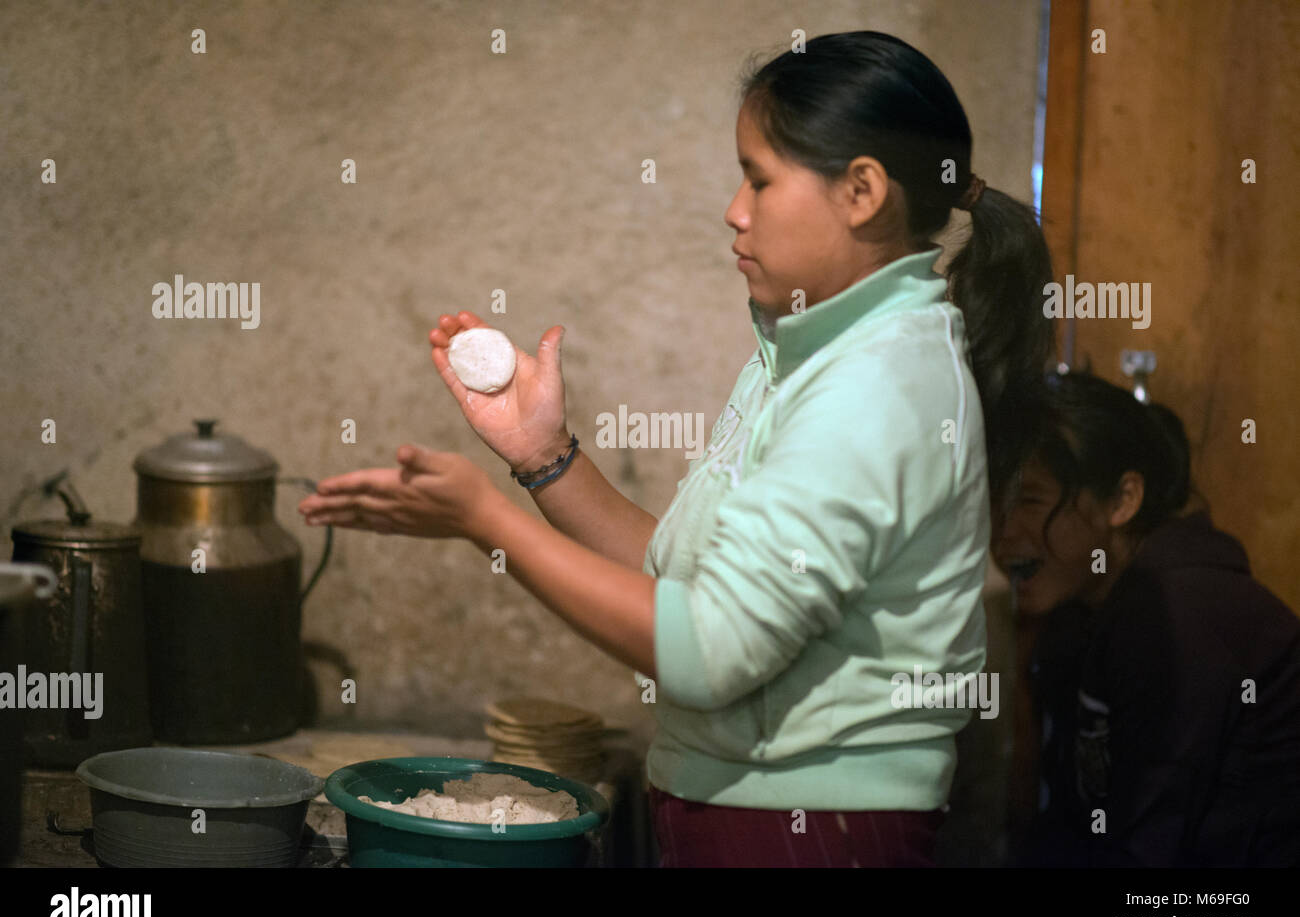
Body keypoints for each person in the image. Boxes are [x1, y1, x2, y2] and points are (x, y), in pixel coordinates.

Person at [298, 30, 1054, 866]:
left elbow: (706, 651)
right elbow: (681, 578)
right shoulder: (810, 352)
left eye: (760, 179)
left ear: (862, 191)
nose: (735, 209)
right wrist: (544, 455)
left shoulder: (875, 386)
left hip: (809, 834)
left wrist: (486, 521)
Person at [993, 370, 1300, 866]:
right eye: (997, 502)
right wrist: (1023, 678)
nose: (1002, 532)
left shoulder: (1184, 613)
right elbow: (1061, 821)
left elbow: (1147, 851)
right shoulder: (1081, 611)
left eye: (1029, 500)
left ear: (1122, 501)